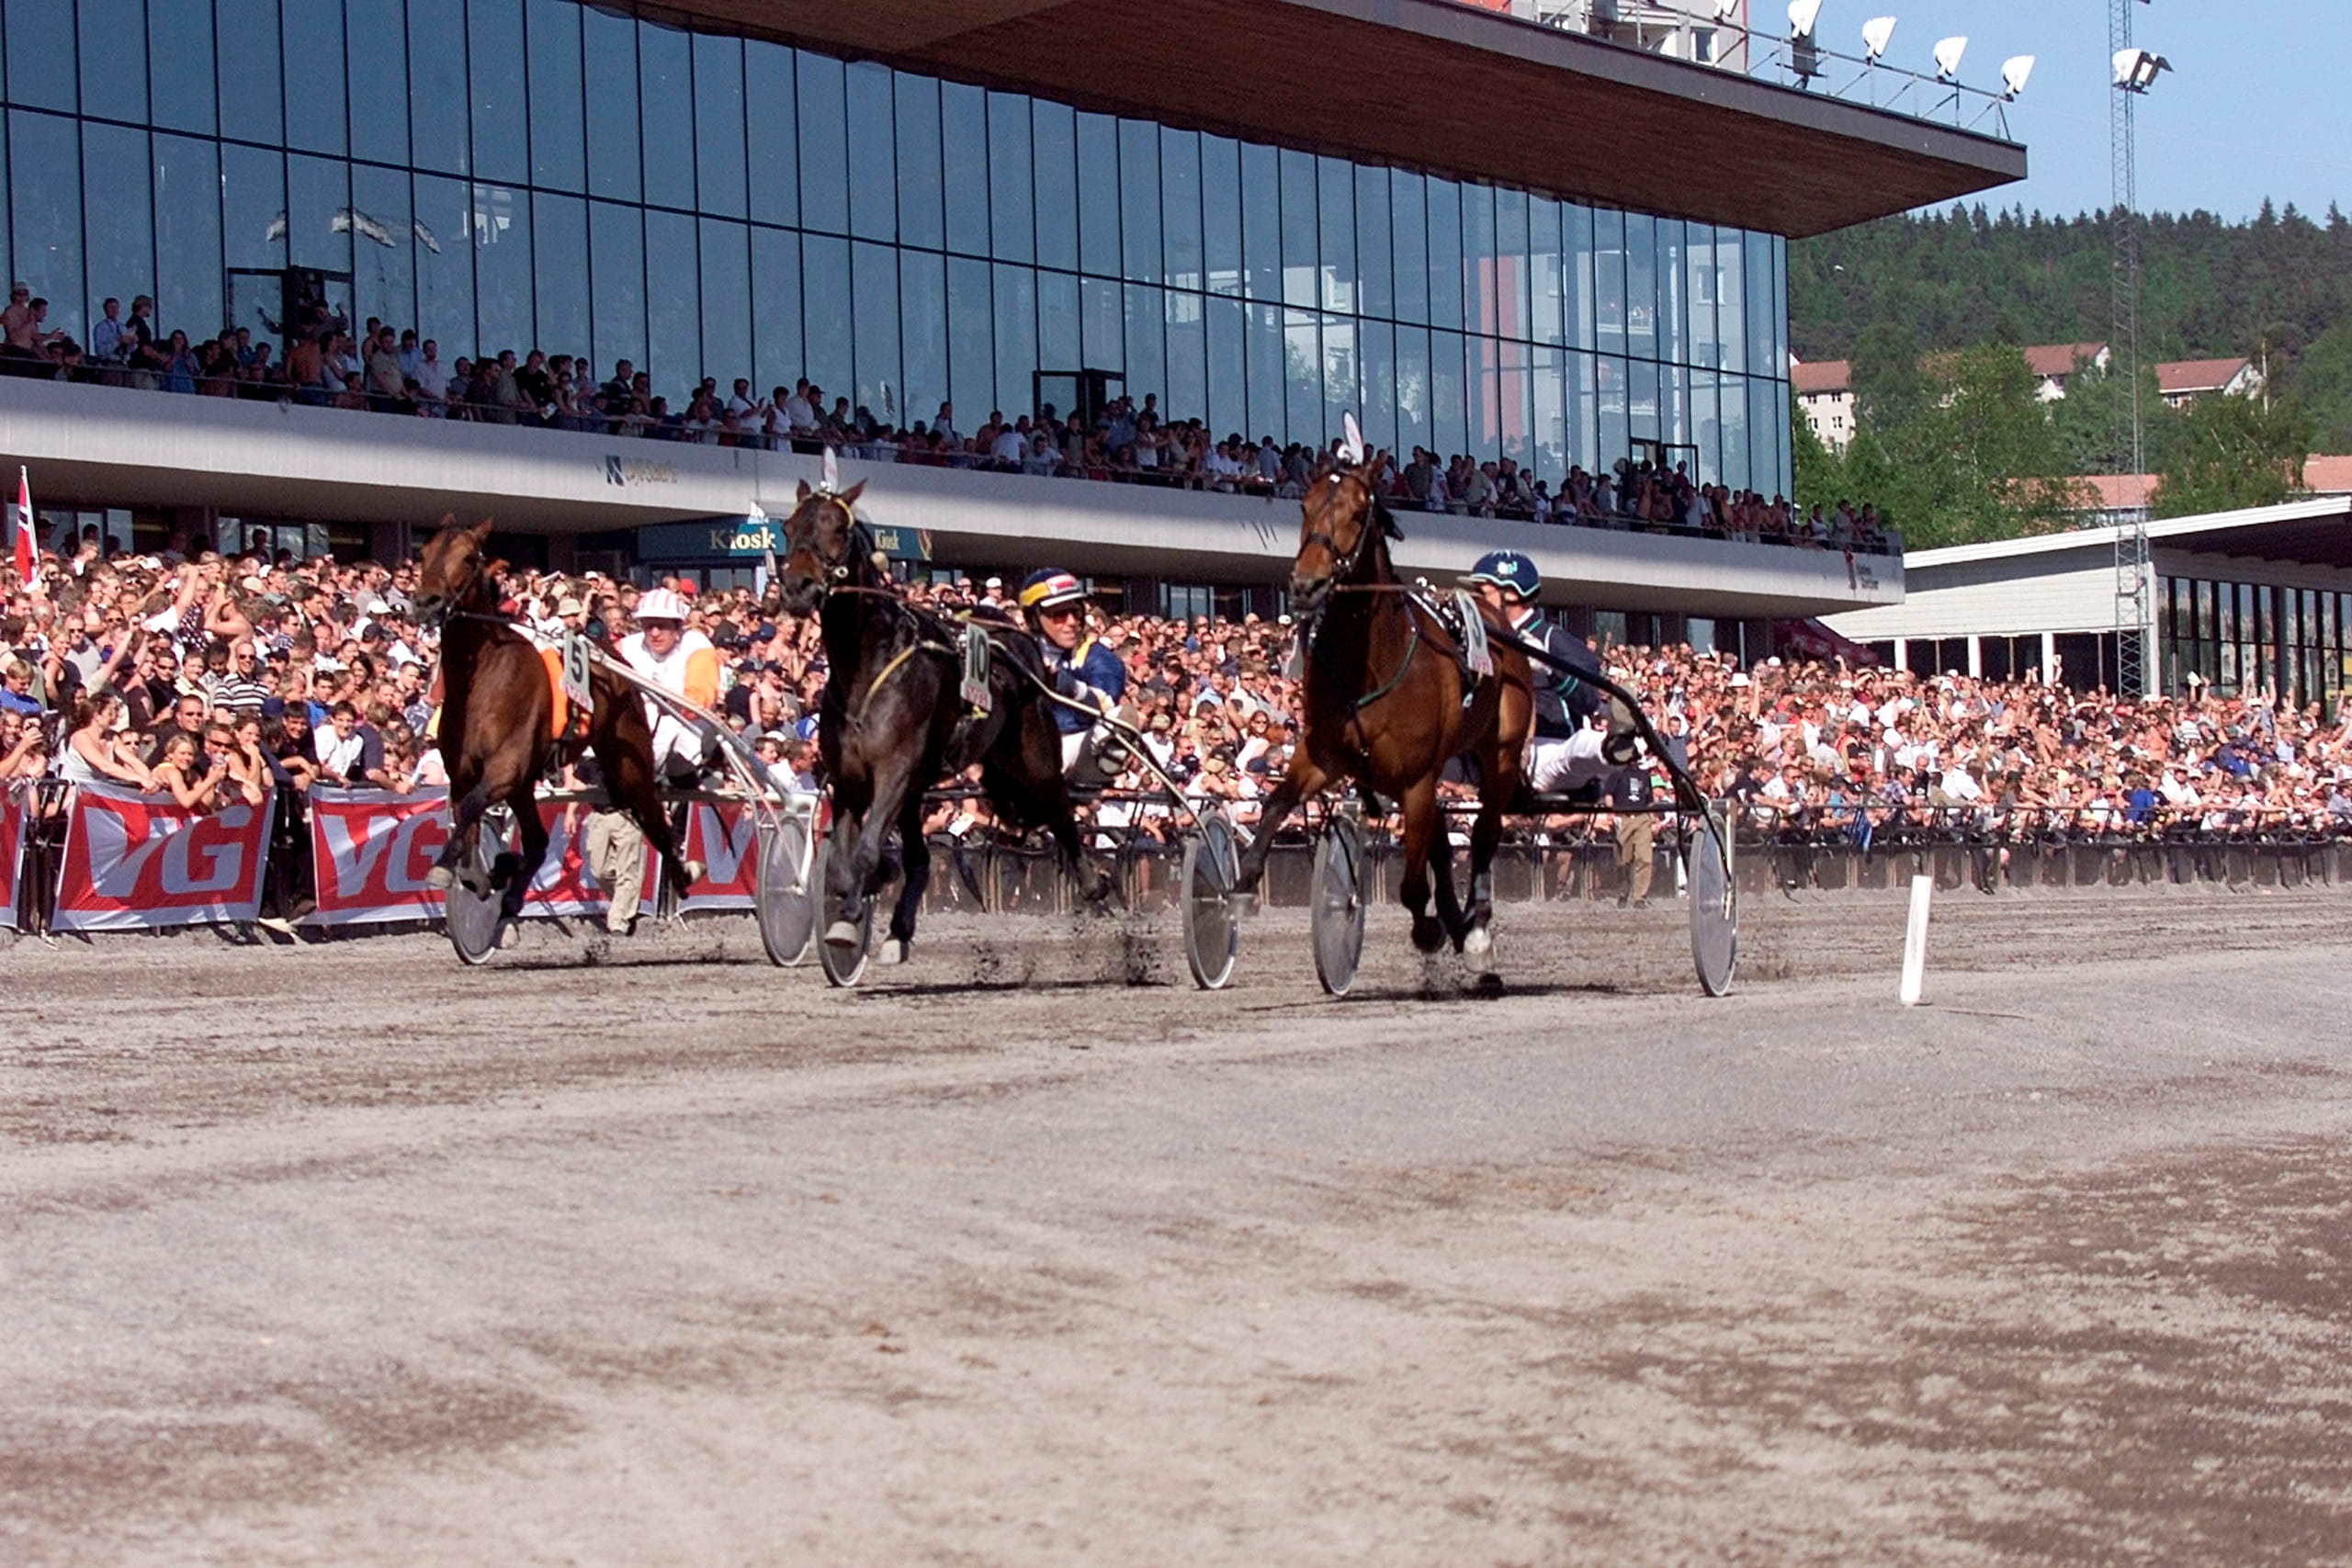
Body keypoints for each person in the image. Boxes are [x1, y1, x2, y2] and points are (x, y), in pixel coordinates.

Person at [1460, 550, 1630, 798]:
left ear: (1512, 594)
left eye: (1482, 593)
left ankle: (1617, 745)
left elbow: (1588, 700)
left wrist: (1550, 669)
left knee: (1582, 745)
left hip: (1545, 751)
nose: (1474, 600)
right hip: (1485, 755)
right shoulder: (1475, 640)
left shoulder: (1553, 639)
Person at [1019, 569, 1125, 778]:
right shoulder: (1019, 653)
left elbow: (1106, 705)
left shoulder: (1098, 656)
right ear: (1033, 619)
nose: (1071, 622)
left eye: (1076, 612)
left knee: (1121, 717)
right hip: (1026, 747)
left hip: (1077, 747)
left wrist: (1071, 688)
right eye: (1058, 614)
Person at [617, 586, 722, 783]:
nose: (655, 633)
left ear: (678, 626)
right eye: (649, 626)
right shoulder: (625, 647)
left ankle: (683, 780)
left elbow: (699, 701)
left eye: (662, 626)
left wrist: (670, 703)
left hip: (683, 728)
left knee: (694, 737)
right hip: (635, 731)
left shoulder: (697, 645)